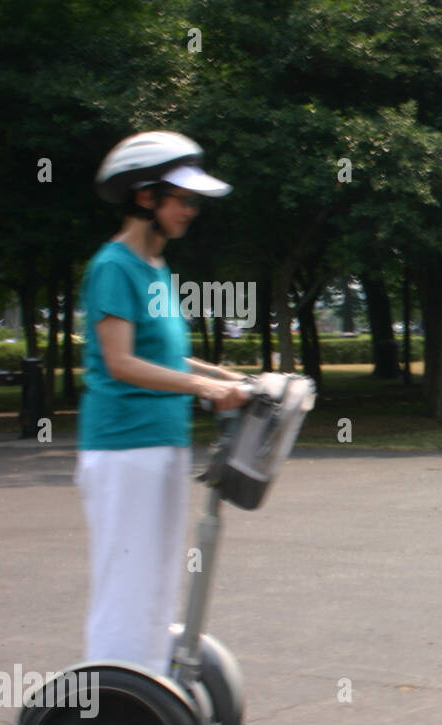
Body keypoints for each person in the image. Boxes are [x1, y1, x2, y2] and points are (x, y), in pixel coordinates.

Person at [79, 130, 248, 673]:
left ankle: (147, 691)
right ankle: (106, 711)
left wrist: (225, 375)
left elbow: (168, 356)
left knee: (155, 579)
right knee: (125, 582)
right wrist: (204, 389)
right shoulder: (114, 266)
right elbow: (120, 361)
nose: (192, 210)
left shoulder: (156, 269)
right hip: (123, 447)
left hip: (161, 443)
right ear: (145, 197)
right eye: (184, 198)